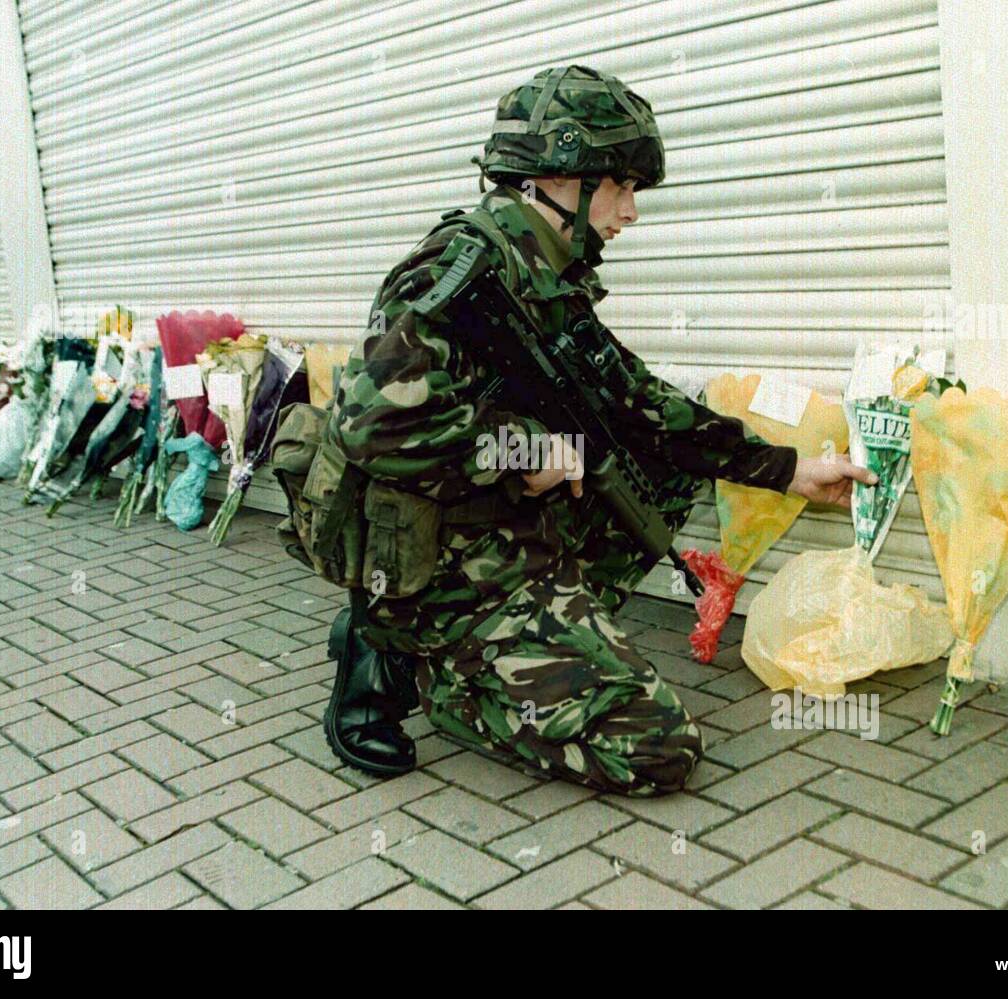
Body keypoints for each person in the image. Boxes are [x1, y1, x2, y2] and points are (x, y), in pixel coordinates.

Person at [321, 65, 876, 796]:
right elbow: (371, 423)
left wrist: (787, 468)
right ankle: (414, 659)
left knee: (659, 461)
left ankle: (533, 635)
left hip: (504, 534)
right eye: (621, 185)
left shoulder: (545, 274)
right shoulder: (459, 269)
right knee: (658, 748)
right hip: (448, 562)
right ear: (560, 176)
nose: (632, 211)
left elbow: (637, 403)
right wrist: (523, 452)